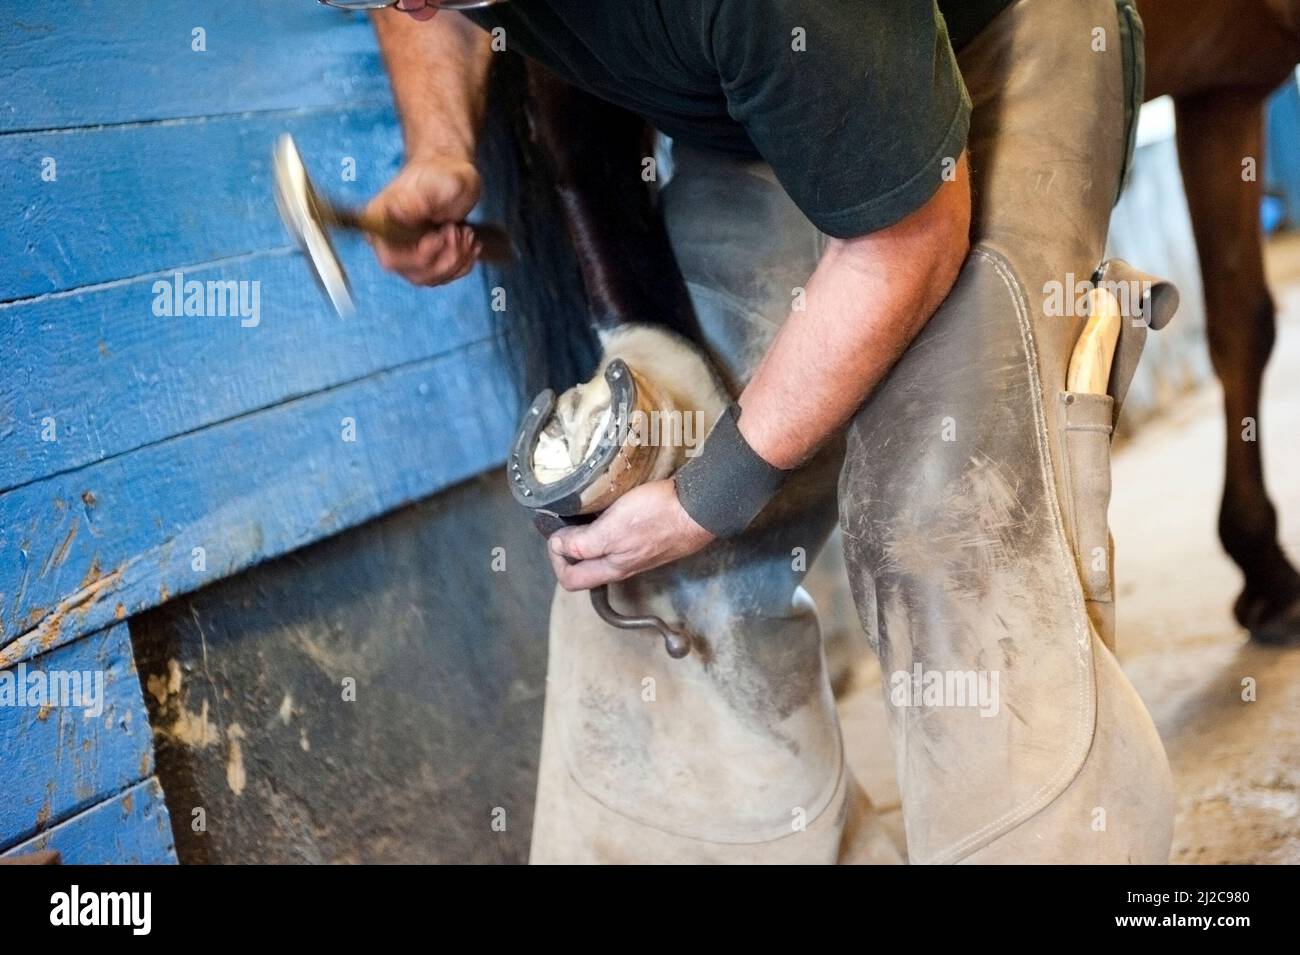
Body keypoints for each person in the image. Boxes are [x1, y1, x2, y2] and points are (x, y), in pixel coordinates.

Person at [358, 0, 1174, 863]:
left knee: (944, 510)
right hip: (759, 118)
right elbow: (417, 9)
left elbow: (908, 240)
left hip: (991, 47)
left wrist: (709, 496)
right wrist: (441, 145)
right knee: (631, 497)